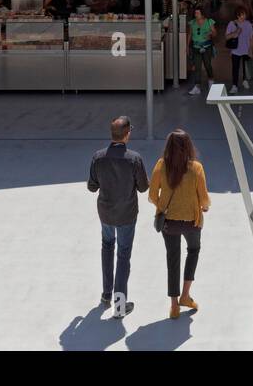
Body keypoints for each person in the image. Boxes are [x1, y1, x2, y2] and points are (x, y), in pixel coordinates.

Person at [88, 115, 149, 317]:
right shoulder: (134, 158)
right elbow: (143, 188)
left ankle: (106, 294)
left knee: (107, 247)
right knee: (123, 255)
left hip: (105, 212)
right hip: (126, 214)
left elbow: (91, 186)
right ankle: (120, 306)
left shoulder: (98, 157)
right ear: (127, 134)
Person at [148, 129, 210, 319]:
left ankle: (174, 306)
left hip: (169, 222)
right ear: (189, 147)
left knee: (172, 259)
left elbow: (151, 195)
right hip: (192, 221)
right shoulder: (196, 168)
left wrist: (163, 207)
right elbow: (204, 198)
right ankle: (185, 295)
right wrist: (204, 207)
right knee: (193, 251)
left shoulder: (161, 165)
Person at [224, 6, 253, 91]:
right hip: (235, 50)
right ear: (237, 15)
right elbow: (227, 37)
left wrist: (251, 50)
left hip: (246, 49)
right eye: (242, 15)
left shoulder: (248, 24)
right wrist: (236, 32)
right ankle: (234, 85)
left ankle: (245, 80)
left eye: (245, 14)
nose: (244, 16)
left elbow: (251, 38)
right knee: (235, 68)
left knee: (246, 67)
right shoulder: (231, 24)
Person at [188, 6, 216, 96]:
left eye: (197, 13)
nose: (196, 15)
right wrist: (187, 46)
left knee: (208, 65)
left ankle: (211, 80)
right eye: (195, 13)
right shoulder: (192, 23)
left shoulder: (209, 21)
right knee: (197, 67)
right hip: (196, 47)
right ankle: (197, 86)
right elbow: (190, 34)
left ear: (202, 14)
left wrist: (210, 34)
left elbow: (215, 33)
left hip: (207, 47)